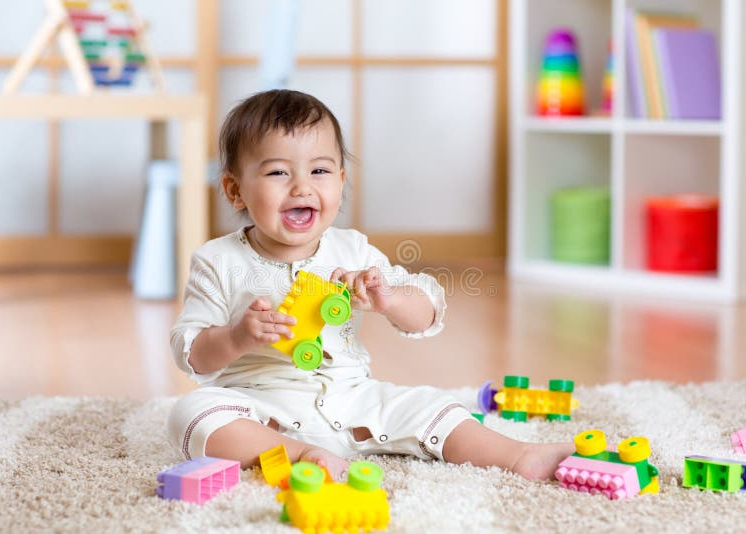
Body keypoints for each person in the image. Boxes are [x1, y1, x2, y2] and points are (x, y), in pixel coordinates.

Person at [169, 89, 572, 481]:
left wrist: (390, 298)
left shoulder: (353, 250)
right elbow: (191, 353)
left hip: (353, 400)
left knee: (430, 404)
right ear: (235, 189)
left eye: (320, 171)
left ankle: (519, 456)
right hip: (260, 407)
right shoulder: (218, 260)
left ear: (340, 181)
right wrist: (237, 337)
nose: (302, 187)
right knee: (191, 415)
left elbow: (426, 313)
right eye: (278, 172)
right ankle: (302, 454)